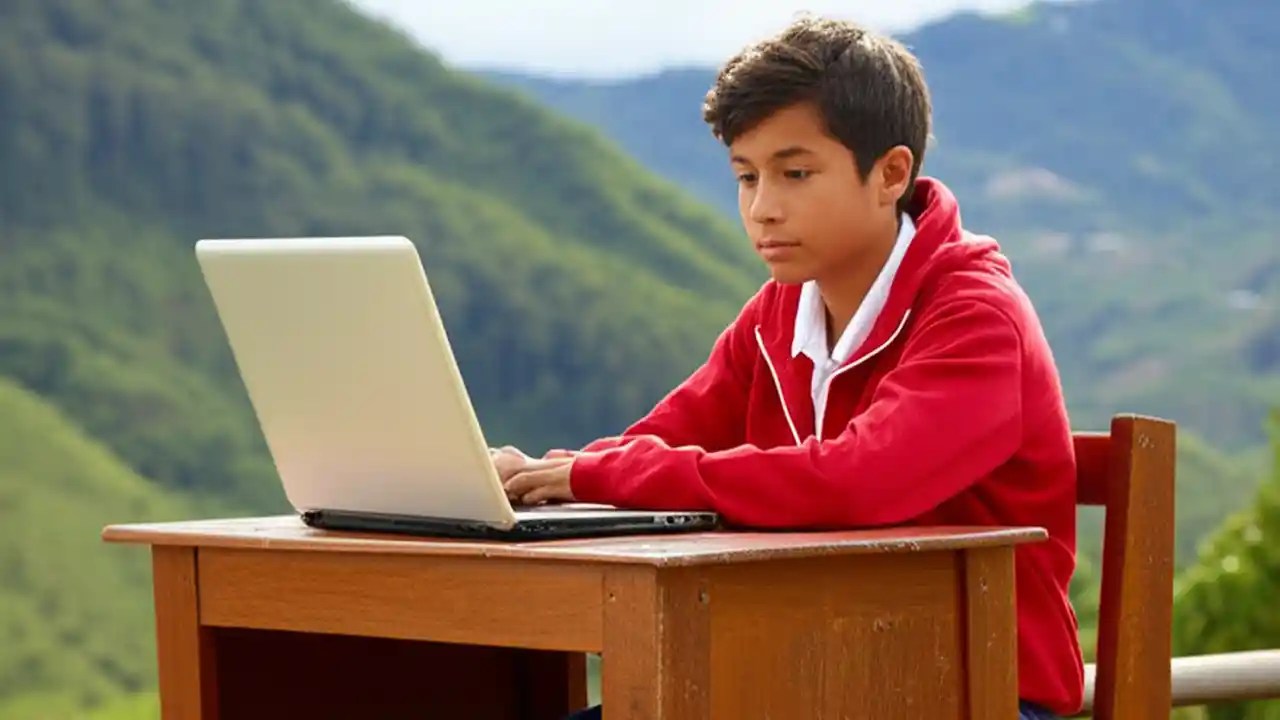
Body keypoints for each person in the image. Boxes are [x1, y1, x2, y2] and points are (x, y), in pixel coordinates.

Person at [493, 15, 1083, 720]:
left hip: (975, 691)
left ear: (891, 173)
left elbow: (856, 482)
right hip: (803, 678)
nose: (762, 209)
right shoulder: (776, 315)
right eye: (746, 177)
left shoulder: (978, 318)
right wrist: (540, 476)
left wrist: (600, 473)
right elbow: (658, 441)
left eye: (795, 173)